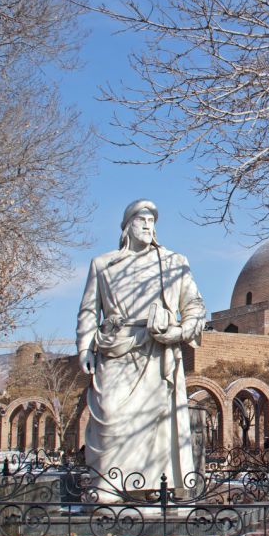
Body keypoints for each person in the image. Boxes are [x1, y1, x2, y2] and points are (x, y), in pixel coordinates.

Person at [77, 199, 205, 499]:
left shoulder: (173, 263)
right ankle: (108, 483)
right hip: (116, 347)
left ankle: (149, 485)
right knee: (109, 412)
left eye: (152, 221)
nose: (148, 226)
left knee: (152, 419)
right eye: (141, 220)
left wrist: (180, 331)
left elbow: (195, 306)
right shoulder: (103, 264)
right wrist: (84, 346)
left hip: (156, 349)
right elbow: (88, 310)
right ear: (127, 226)